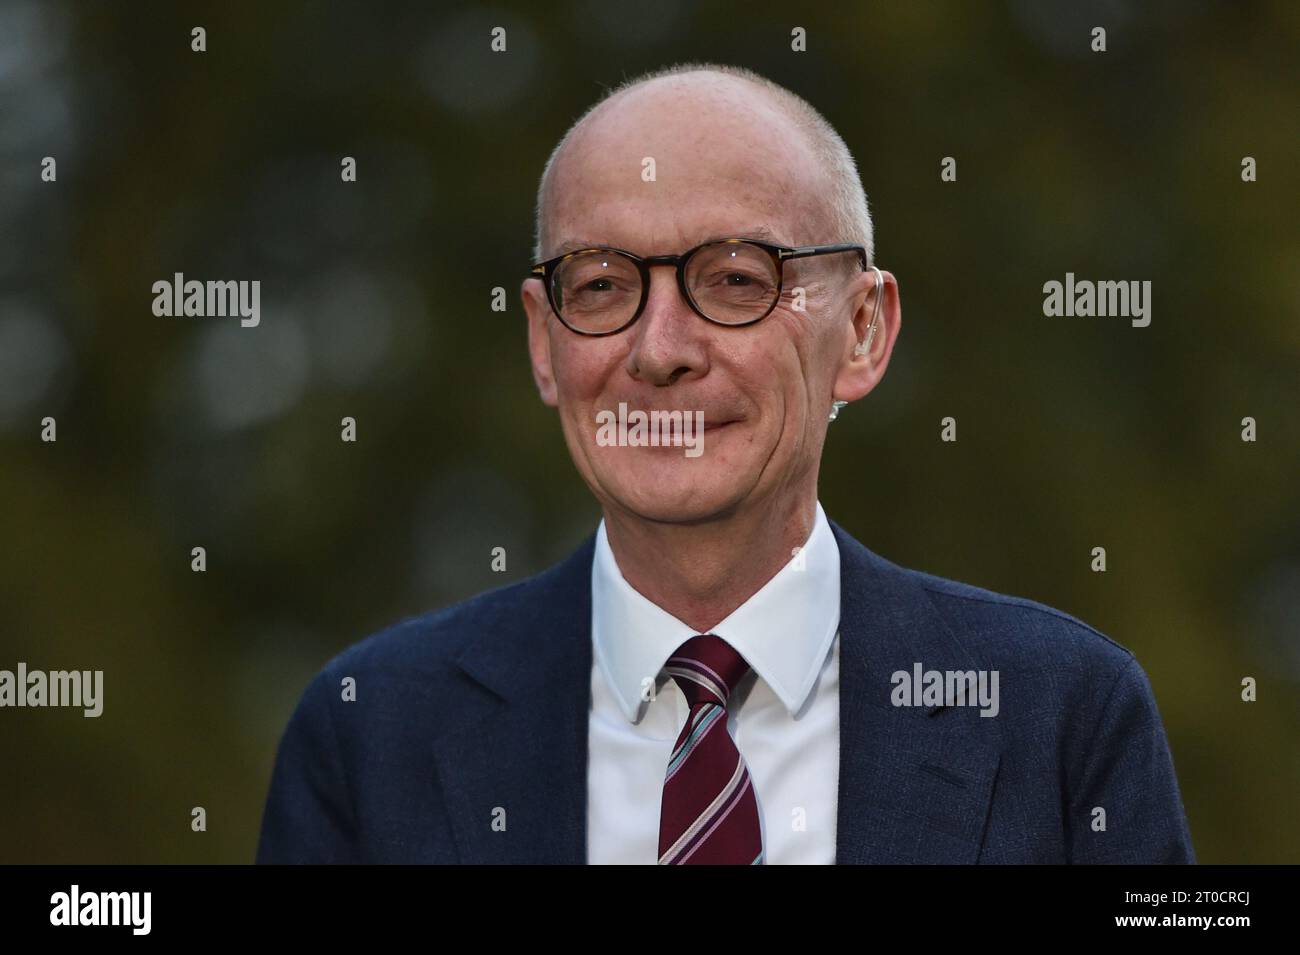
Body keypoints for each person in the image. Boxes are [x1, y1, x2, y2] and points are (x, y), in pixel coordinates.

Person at [257, 62, 1195, 864]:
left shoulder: (1060, 714)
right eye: (601, 284)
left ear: (863, 330)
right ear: (544, 342)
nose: (659, 348)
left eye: (737, 279)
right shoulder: (368, 733)